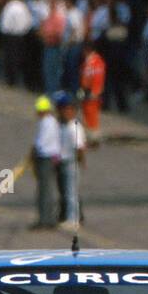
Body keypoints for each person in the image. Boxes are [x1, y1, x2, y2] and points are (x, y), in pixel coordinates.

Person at [54, 91, 87, 232]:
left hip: (71, 162)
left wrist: (80, 161)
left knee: (71, 192)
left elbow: (79, 148)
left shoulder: (74, 127)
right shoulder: (61, 125)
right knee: (65, 191)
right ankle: (66, 215)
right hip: (62, 161)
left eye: (67, 109)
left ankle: (73, 219)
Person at [31, 95, 61, 229]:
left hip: (45, 157)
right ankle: (48, 217)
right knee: (47, 188)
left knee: (44, 189)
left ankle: (45, 219)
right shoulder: (48, 121)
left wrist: (33, 151)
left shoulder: (48, 123)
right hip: (48, 156)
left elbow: (41, 142)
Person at [79, 41, 107, 146]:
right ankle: (89, 136)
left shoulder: (96, 62)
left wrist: (95, 92)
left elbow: (97, 78)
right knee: (86, 113)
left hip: (92, 92)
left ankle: (94, 137)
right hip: (87, 91)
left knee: (92, 114)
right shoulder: (89, 61)